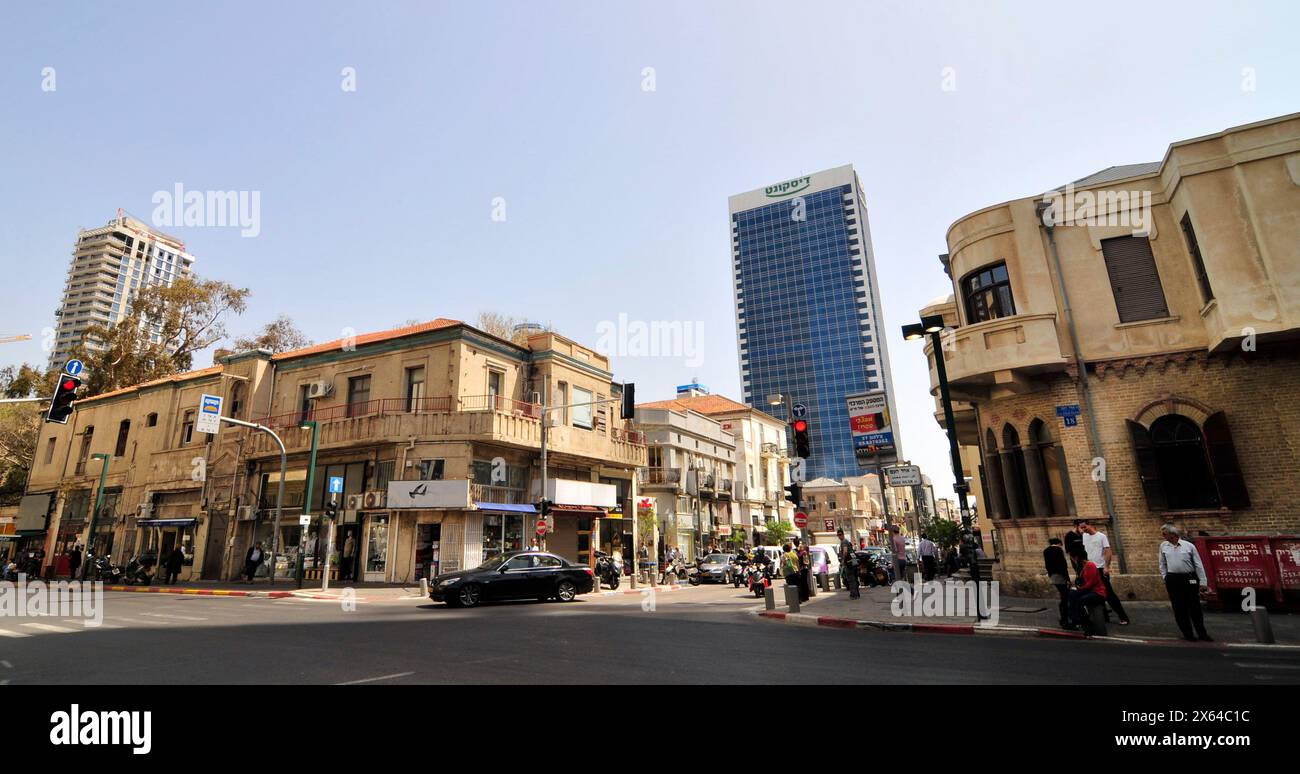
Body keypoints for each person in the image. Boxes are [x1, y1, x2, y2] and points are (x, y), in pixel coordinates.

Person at [1158, 524, 1212, 642]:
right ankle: (1188, 634)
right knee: (1178, 607)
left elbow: (1198, 564)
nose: (1163, 536)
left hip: (1189, 577)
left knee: (1194, 606)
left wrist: (1203, 581)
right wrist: (1165, 577)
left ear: (1172, 534)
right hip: (1173, 578)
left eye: (1164, 533)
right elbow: (1162, 563)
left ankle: (1202, 633)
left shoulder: (1189, 546)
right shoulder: (1163, 546)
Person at [1080, 519, 1129, 625]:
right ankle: (1103, 617)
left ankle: (1123, 617)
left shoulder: (1101, 536)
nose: (1083, 530)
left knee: (1109, 594)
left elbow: (1108, 551)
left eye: (1084, 527)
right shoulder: (1084, 537)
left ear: (1090, 525)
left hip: (1100, 568)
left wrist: (1106, 567)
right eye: (1081, 527)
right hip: (1090, 568)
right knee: (1094, 593)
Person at [1065, 557, 1107, 632]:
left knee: (1080, 601)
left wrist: (1081, 589)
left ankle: (1086, 625)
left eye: (1074, 558)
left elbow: (1091, 582)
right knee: (1072, 595)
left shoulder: (1090, 565)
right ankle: (1075, 620)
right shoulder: (1083, 567)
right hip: (1090, 590)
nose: (1073, 561)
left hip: (1098, 592)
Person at [1043, 537, 1071, 628]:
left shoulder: (1046, 551)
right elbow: (1063, 564)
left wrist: (1050, 574)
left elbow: (1047, 564)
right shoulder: (1058, 550)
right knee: (1065, 596)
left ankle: (1064, 617)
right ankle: (1064, 619)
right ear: (1059, 543)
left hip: (1053, 575)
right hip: (1060, 575)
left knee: (1063, 595)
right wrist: (1067, 578)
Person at [837, 529, 860, 600]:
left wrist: (843, 560)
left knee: (851, 578)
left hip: (849, 562)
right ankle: (857, 594)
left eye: (840, 534)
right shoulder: (846, 541)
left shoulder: (844, 542)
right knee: (854, 578)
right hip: (853, 561)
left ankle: (853, 594)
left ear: (843, 534)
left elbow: (845, 551)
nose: (839, 536)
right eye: (838, 535)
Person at [794, 537, 811, 602]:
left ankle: (803, 597)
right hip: (805, 568)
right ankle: (806, 596)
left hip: (800, 568)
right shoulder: (803, 550)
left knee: (801, 583)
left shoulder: (796, 551)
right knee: (805, 583)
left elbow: (797, 557)